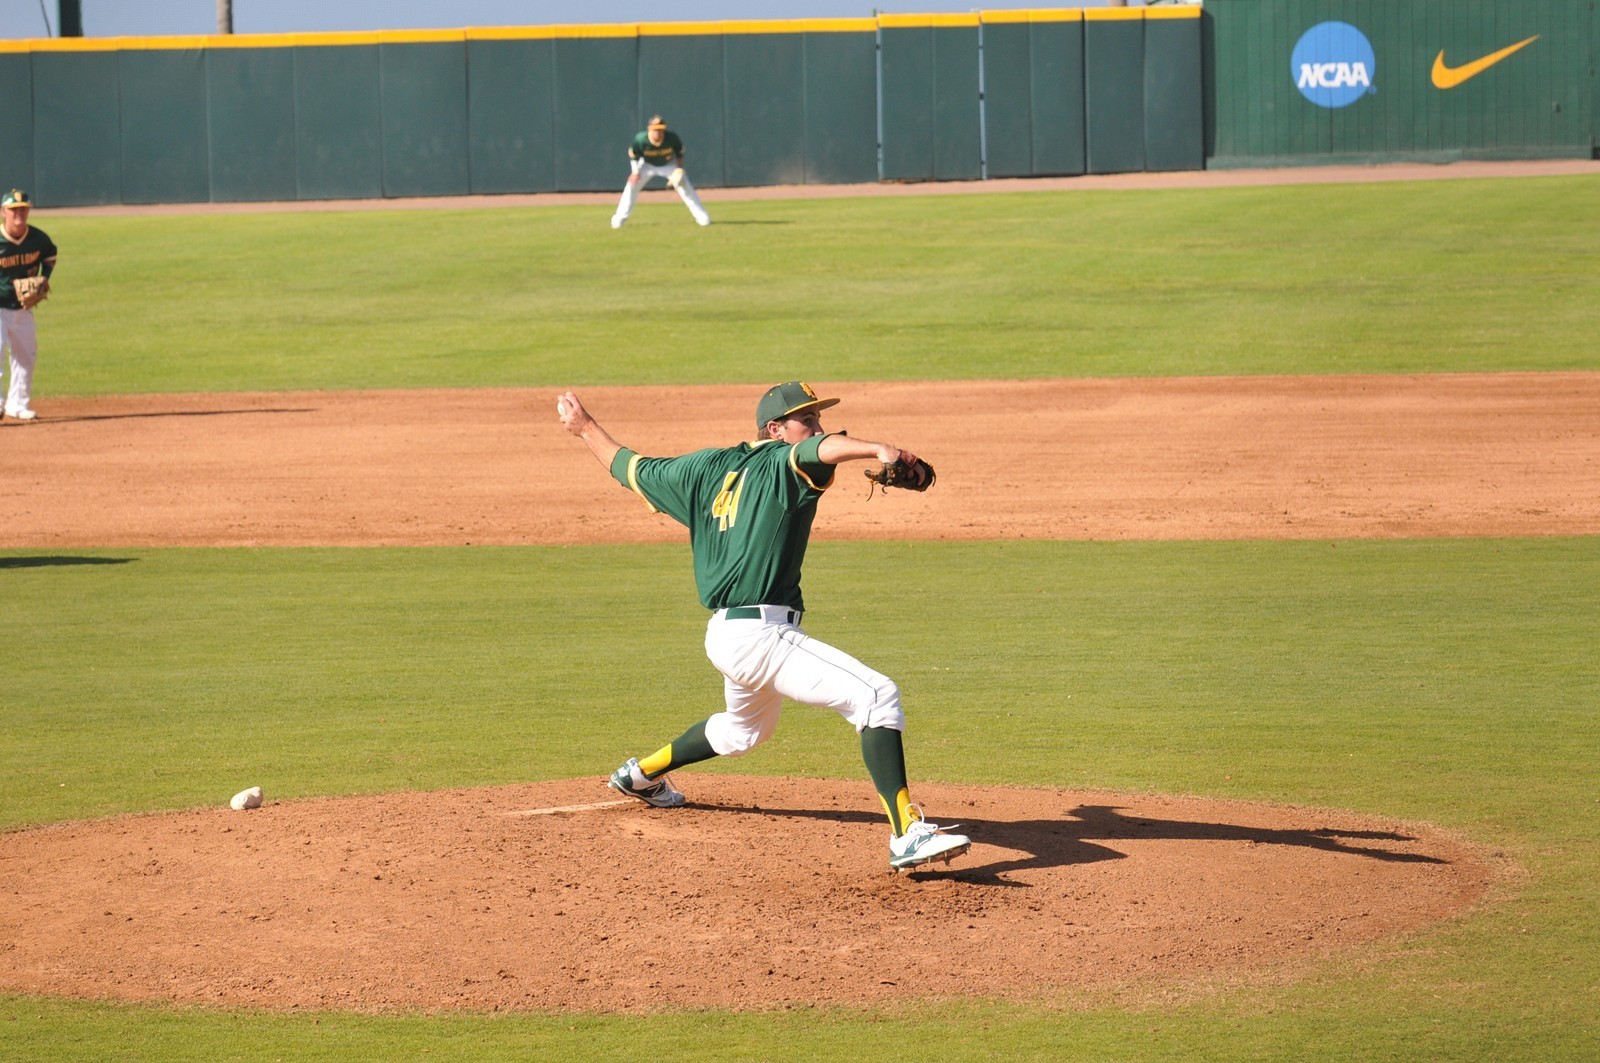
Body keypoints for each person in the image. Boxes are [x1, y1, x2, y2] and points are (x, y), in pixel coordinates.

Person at [555, 381, 971, 872]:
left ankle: (639, 775)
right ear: (774, 429)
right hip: (761, 637)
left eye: (817, 419)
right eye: (806, 420)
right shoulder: (781, 462)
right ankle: (906, 834)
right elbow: (820, 449)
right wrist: (882, 448)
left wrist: (584, 428)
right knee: (877, 696)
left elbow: (629, 466)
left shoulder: (703, 469)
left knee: (743, 731)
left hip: (727, 636)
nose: (817, 428)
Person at [0, 189, 57, 423]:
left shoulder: (38, 239)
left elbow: (51, 255)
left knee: (26, 355)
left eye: (23, 209)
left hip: (23, 309)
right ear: (4, 212)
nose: (19, 214)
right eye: (14, 210)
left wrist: (45, 278)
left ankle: (18, 404)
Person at [610, 115, 712, 229]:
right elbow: (634, 156)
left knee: (684, 185)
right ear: (649, 129)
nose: (658, 132)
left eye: (660, 129)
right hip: (647, 165)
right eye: (655, 129)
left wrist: (678, 169)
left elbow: (679, 153)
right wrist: (635, 172)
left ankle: (702, 217)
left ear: (664, 129)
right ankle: (619, 218)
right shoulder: (641, 139)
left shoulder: (672, 138)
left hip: (668, 164)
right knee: (631, 186)